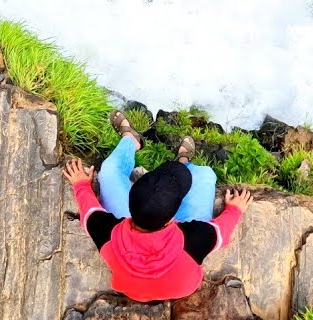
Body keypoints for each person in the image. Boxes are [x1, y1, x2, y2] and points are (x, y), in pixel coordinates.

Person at [63, 110, 252, 302]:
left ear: (130, 198)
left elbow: (89, 213)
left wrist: (81, 184)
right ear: (173, 218)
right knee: (205, 175)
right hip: (182, 287)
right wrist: (234, 209)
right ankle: (183, 162)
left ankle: (130, 140)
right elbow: (222, 232)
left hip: (132, 289)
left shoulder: (107, 232)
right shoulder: (195, 238)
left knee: (109, 172)